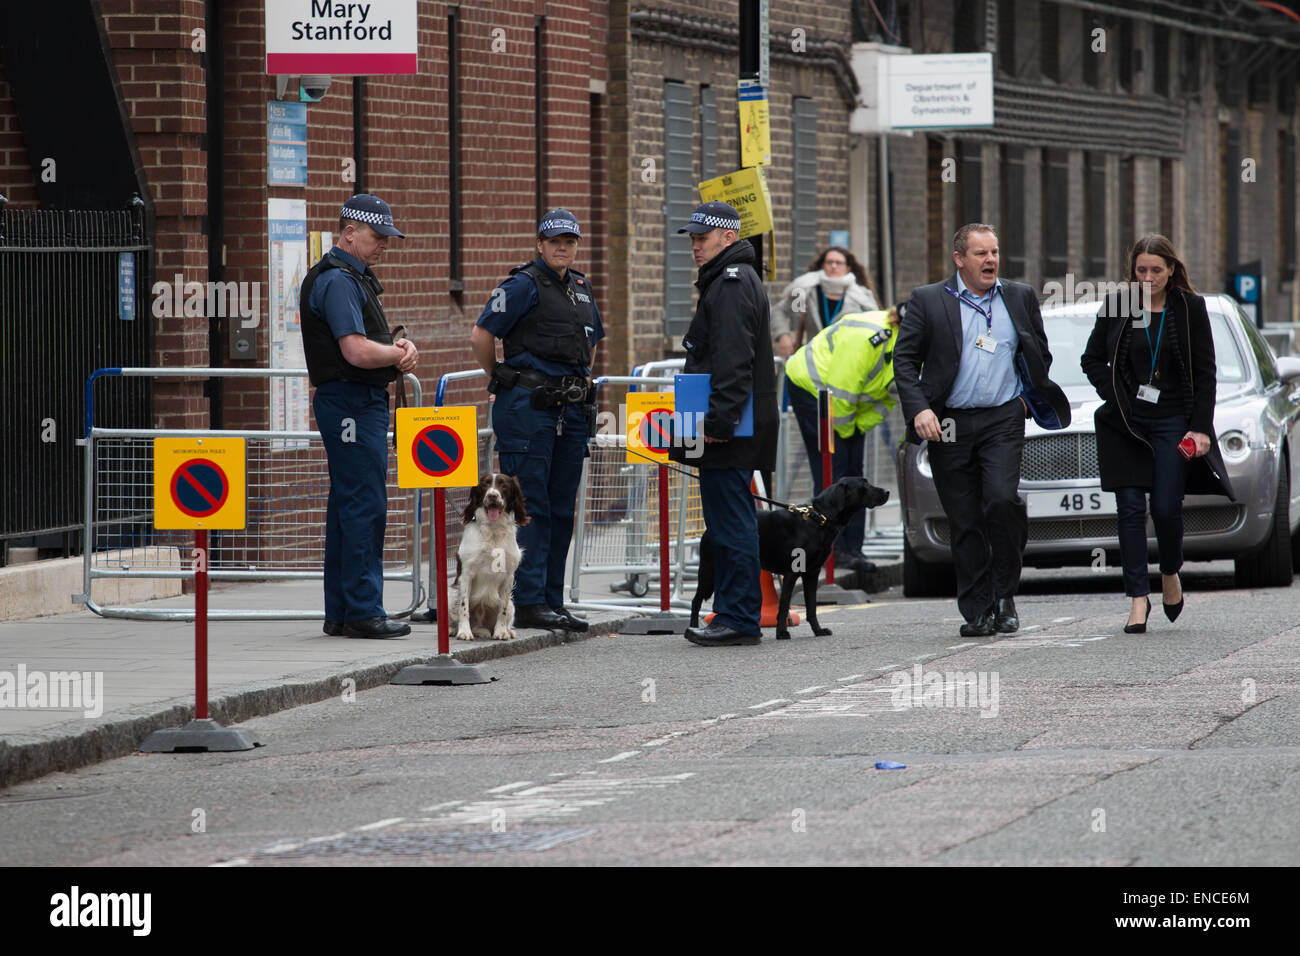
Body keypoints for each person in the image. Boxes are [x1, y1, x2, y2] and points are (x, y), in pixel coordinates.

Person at [893, 223, 1070, 637]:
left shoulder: (1020, 296)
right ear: (959, 259)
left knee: (1001, 501)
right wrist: (919, 409)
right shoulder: (929, 300)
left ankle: (1005, 596)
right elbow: (904, 362)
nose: (990, 260)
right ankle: (977, 609)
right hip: (948, 422)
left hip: (1001, 418)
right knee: (965, 518)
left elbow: (1038, 351)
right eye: (980, 254)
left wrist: (1025, 401)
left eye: (994, 252)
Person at [1080, 235, 1234, 633]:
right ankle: (1136, 599)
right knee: (1130, 511)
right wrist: (1116, 395)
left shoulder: (1189, 308)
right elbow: (1091, 358)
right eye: (1141, 270)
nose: (1148, 278)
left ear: (1171, 270)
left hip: (1173, 422)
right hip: (1126, 424)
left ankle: (1169, 572)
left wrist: (1200, 427)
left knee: (1165, 507)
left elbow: (1206, 371)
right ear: (1133, 270)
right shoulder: (1118, 304)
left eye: (1156, 270)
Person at [470, 208, 603, 632]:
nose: (563, 247)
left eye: (570, 241)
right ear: (540, 244)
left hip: (569, 412)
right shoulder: (523, 285)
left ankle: (551, 598)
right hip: (528, 408)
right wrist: (499, 376)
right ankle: (524, 601)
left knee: (562, 507)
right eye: (554, 241)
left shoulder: (581, 287)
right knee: (532, 507)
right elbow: (481, 334)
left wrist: (581, 383)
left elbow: (591, 342)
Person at [300, 194, 418, 639]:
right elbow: (355, 349)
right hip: (351, 402)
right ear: (350, 232)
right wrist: (399, 354)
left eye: (388, 236)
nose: (384, 244)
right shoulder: (340, 280)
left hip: (350, 401)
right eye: (377, 235)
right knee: (364, 504)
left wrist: (394, 350)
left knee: (348, 505)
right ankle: (364, 611)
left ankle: (344, 612)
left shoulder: (348, 277)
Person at [671, 201, 779, 647]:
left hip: (731, 424)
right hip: (733, 419)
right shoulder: (725, 281)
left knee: (731, 519)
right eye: (692, 239)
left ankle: (738, 616)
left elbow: (734, 360)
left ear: (728, 237)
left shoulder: (731, 284)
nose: (695, 246)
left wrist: (718, 421)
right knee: (728, 517)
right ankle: (737, 612)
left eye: (703, 237)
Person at [784, 306, 899, 571]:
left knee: (855, 476)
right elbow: (842, 392)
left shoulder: (910, 346)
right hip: (812, 387)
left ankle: (851, 550)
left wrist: (859, 426)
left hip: (845, 407)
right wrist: (849, 430)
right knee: (833, 471)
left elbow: (890, 398)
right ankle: (827, 550)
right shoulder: (870, 339)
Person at [770, 247, 878, 360]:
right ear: (822, 265)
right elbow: (780, 311)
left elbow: (875, 323)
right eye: (829, 262)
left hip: (848, 360)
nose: (833, 266)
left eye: (839, 263)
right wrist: (783, 336)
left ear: (848, 268)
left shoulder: (861, 297)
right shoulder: (807, 291)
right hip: (813, 359)